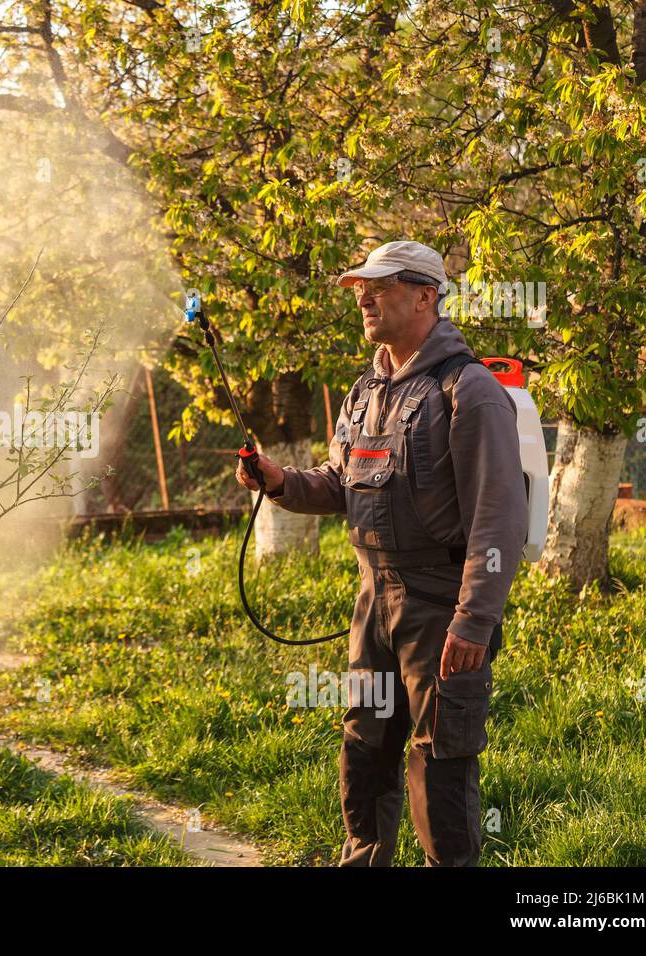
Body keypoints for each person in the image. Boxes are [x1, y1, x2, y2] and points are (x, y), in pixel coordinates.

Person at [235, 240, 527, 866]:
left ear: (426, 296)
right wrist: (282, 481)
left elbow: (498, 519)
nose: (363, 296)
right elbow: (342, 480)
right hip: (375, 603)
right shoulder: (367, 391)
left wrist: (474, 618)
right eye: (359, 287)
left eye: (380, 285)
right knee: (365, 749)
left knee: (438, 760)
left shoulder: (469, 391)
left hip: (440, 607)